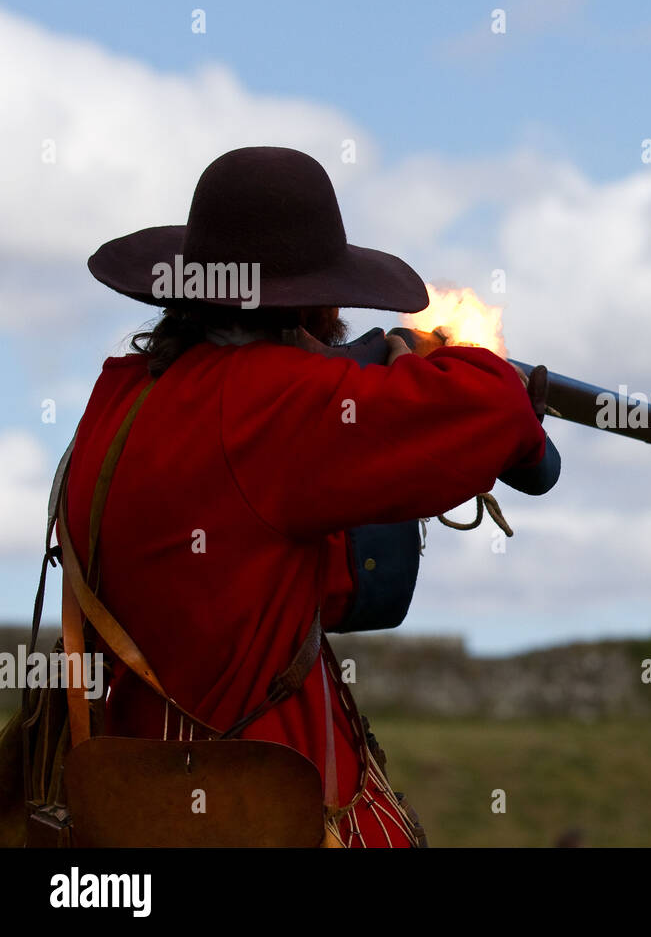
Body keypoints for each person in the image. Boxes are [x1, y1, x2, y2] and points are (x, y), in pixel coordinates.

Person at [68, 146, 557, 846]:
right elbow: (496, 411)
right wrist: (447, 359)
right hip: (258, 807)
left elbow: (253, 567)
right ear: (312, 301)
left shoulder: (121, 395)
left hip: (130, 804)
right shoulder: (271, 402)